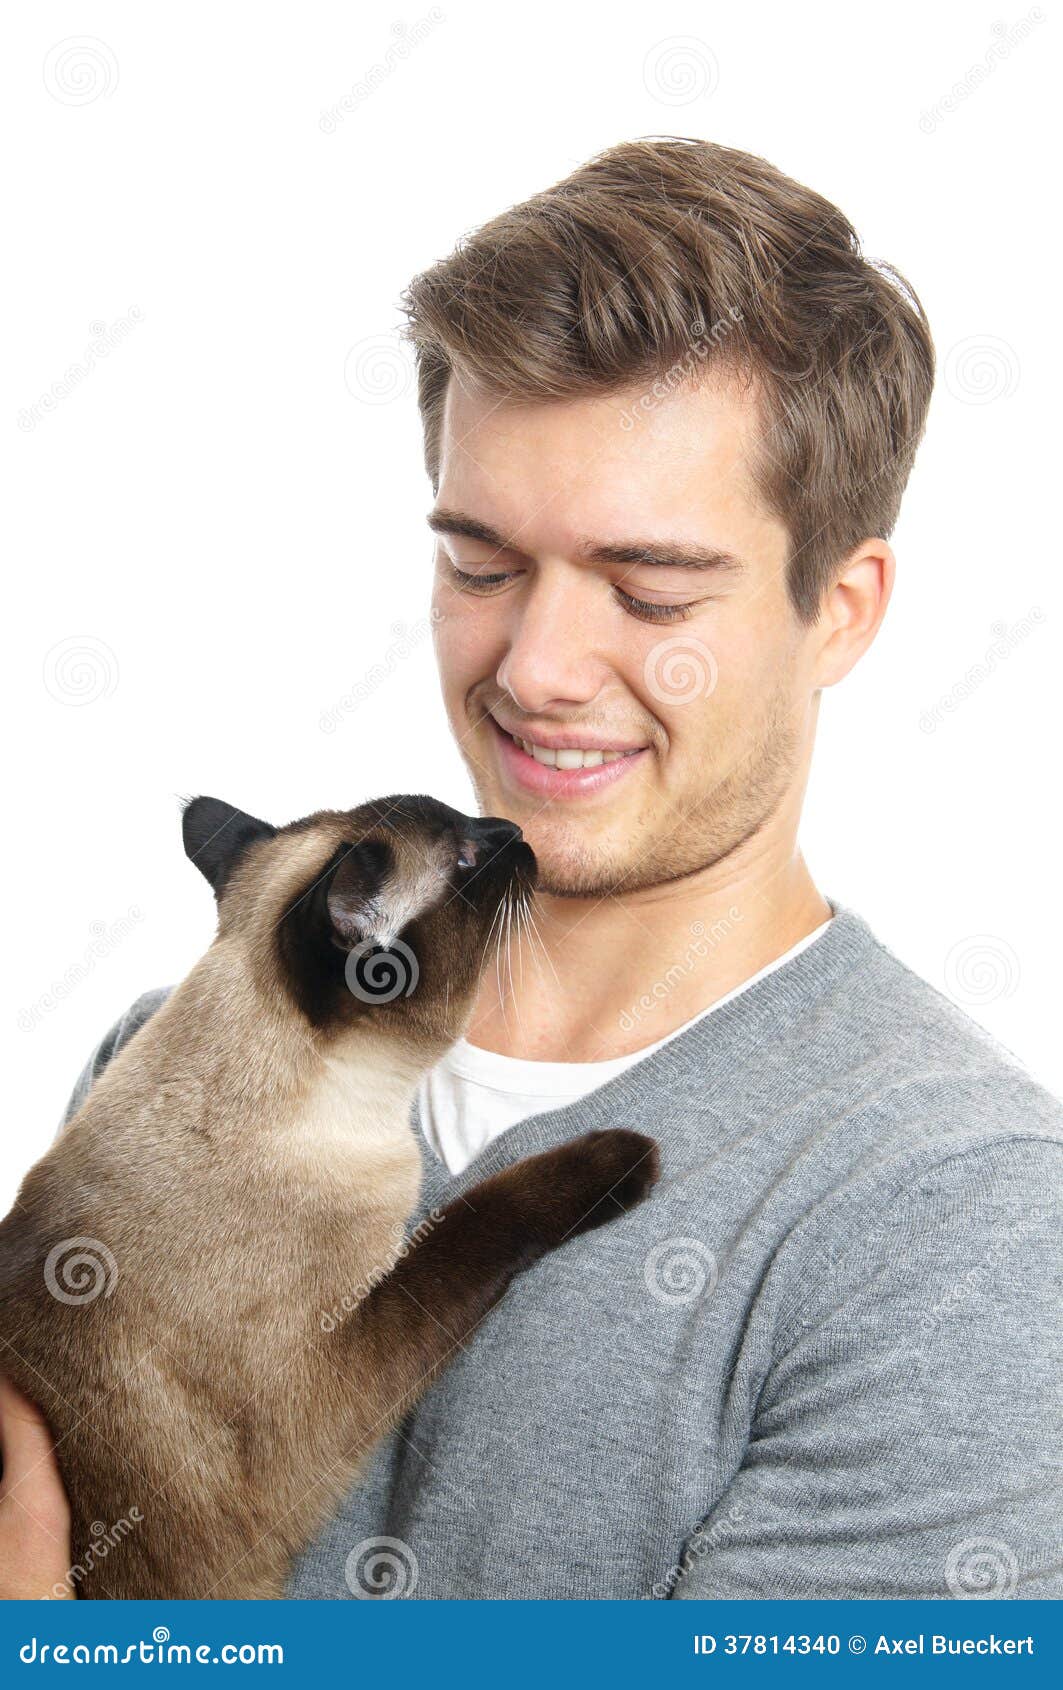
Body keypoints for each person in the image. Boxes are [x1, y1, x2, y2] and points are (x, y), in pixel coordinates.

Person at [3, 138, 1061, 1601]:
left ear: (842, 611)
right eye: (482, 565)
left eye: (649, 589)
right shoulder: (168, 1051)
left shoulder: (959, 1219)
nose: (537, 670)